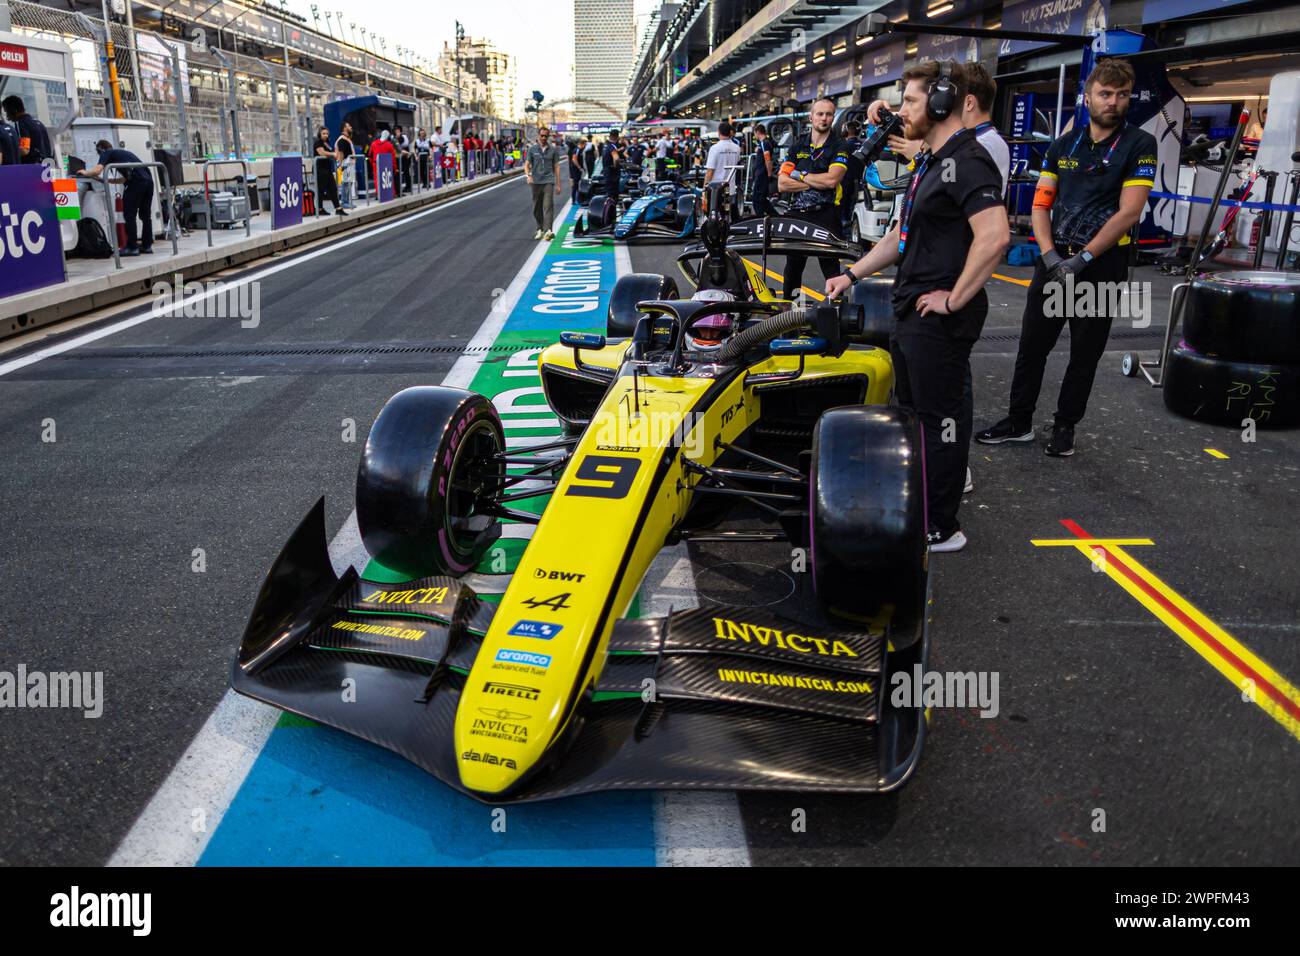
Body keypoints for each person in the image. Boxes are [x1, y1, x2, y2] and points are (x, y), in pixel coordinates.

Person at [824, 61, 1009, 552]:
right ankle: (918, 508)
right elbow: (899, 236)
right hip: (910, 308)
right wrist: (851, 274)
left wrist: (955, 298)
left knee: (938, 419)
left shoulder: (968, 159)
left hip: (937, 316)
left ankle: (943, 527)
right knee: (913, 415)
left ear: (943, 102)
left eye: (909, 100)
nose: (901, 109)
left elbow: (994, 236)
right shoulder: (932, 158)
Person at [976, 57, 1155, 457]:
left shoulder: (1140, 143)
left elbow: (1129, 212)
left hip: (1102, 268)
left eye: (1121, 95)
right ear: (1087, 97)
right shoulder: (1062, 145)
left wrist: (1084, 259)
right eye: (1105, 94)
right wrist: (1050, 255)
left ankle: (1065, 426)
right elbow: (1041, 205)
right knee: (1032, 347)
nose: (1113, 102)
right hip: (1055, 262)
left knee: (1084, 354)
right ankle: (1019, 422)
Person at [777, 96, 851, 299]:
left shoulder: (840, 146)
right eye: (820, 114)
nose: (824, 118)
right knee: (792, 269)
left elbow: (831, 181)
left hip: (826, 215)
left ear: (833, 118)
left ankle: (836, 314)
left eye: (828, 114)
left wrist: (799, 176)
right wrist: (814, 180)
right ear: (811, 117)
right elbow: (782, 183)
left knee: (831, 270)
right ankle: (791, 315)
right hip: (796, 214)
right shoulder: (797, 146)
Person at [76, 139, 156, 255]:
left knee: (129, 215)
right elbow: (124, 179)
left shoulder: (107, 153)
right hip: (148, 181)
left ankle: (132, 247)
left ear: (100, 149)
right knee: (145, 216)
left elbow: (97, 170)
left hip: (137, 183)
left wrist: (85, 172)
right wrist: (106, 180)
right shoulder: (121, 154)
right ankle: (147, 246)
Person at [526, 126, 563, 241]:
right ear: (538, 136)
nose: (543, 138)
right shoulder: (532, 149)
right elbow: (527, 164)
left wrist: (558, 184)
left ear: (548, 136)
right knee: (536, 208)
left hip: (548, 181)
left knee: (548, 206)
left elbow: (556, 167)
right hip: (536, 182)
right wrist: (528, 176)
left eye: (546, 136)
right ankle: (539, 229)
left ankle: (548, 231)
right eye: (542, 135)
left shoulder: (553, 150)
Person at [704, 121, 742, 216]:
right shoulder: (737, 148)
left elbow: (710, 171)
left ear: (718, 132)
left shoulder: (714, 148)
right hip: (730, 188)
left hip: (716, 189)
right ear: (730, 132)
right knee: (726, 212)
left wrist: (705, 188)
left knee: (715, 215)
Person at [2, 96, 53, 165]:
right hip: (45, 167)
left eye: (7, 111)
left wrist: (6, 154)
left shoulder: (21, 123)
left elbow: (24, 150)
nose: (7, 116)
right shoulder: (38, 122)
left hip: (31, 167)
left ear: (13, 110)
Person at [313, 126, 344, 216]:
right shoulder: (318, 142)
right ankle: (320, 209)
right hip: (320, 168)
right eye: (323, 133)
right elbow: (321, 153)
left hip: (327, 168)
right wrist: (333, 154)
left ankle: (338, 208)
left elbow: (332, 152)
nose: (326, 135)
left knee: (333, 188)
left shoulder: (327, 143)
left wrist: (335, 153)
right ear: (319, 134)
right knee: (321, 190)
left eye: (327, 133)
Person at [370, 129, 397, 196]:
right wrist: (394, 167)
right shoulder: (389, 145)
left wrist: (372, 163)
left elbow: (370, 155)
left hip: (376, 164)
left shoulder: (373, 144)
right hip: (387, 165)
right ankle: (390, 193)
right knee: (387, 178)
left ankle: (378, 194)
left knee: (377, 179)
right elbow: (393, 157)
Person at [335, 122, 356, 208]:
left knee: (349, 182)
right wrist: (340, 165)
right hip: (345, 163)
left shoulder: (347, 139)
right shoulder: (342, 139)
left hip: (349, 163)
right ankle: (344, 202)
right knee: (346, 183)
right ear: (344, 128)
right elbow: (341, 153)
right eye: (349, 126)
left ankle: (346, 201)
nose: (351, 127)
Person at [601, 130, 624, 203]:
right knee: (612, 192)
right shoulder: (612, 146)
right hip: (612, 171)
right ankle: (611, 208)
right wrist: (616, 166)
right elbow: (616, 158)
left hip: (607, 170)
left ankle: (610, 208)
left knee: (609, 191)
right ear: (617, 137)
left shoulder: (606, 145)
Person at [567, 136, 584, 204]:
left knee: (576, 184)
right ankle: (574, 200)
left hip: (574, 169)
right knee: (575, 185)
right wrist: (579, 167)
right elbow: (574, 159)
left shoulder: (576, 149)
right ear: (582, 144)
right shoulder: (577, 150)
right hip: (575, 169)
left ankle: (576, 198)